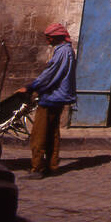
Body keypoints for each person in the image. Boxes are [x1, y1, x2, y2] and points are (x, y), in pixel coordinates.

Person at [24, 23, 77, 179]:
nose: (48, 41)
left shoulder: (62, 52)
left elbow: (50, 74)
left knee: (39, 135)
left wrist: (31, 87)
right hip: (58, 98)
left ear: (57, 37)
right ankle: (52, 165)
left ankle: (37, 167)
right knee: (52, 133)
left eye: (49, 38)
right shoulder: (66, 51)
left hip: (51, 97)